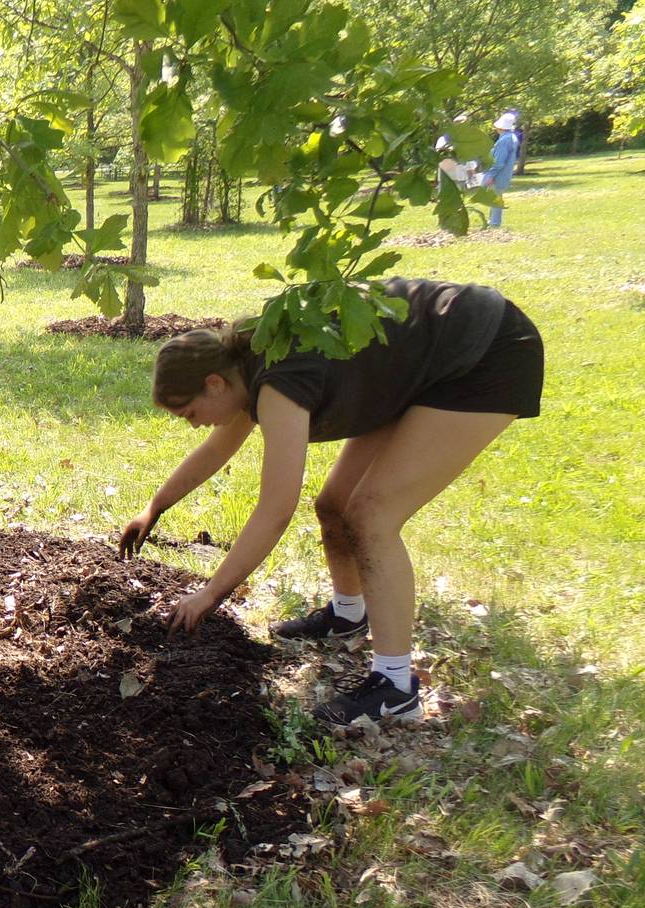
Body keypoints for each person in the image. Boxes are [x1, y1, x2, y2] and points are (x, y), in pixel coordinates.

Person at [120, 278, 542, 727]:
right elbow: (216, 451)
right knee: (334, 506)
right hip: (416, 366)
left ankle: (395, 686)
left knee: (370, 515)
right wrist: (155, 507)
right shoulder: (248, 364)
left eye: (190, 413)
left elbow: (276, 508)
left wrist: (210, 593)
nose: (193, 426)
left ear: (214, 383)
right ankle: (347, 615)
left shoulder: (277, 381)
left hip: (482, 351)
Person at [485, 113, 519, 228]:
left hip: (499, 174)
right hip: (505, 173)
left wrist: (491, 175)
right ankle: (493, 222)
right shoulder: (512, 137)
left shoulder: (504, 140)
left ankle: (494, 224)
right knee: (496, 198)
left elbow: (499, 161)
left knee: (495, 198)